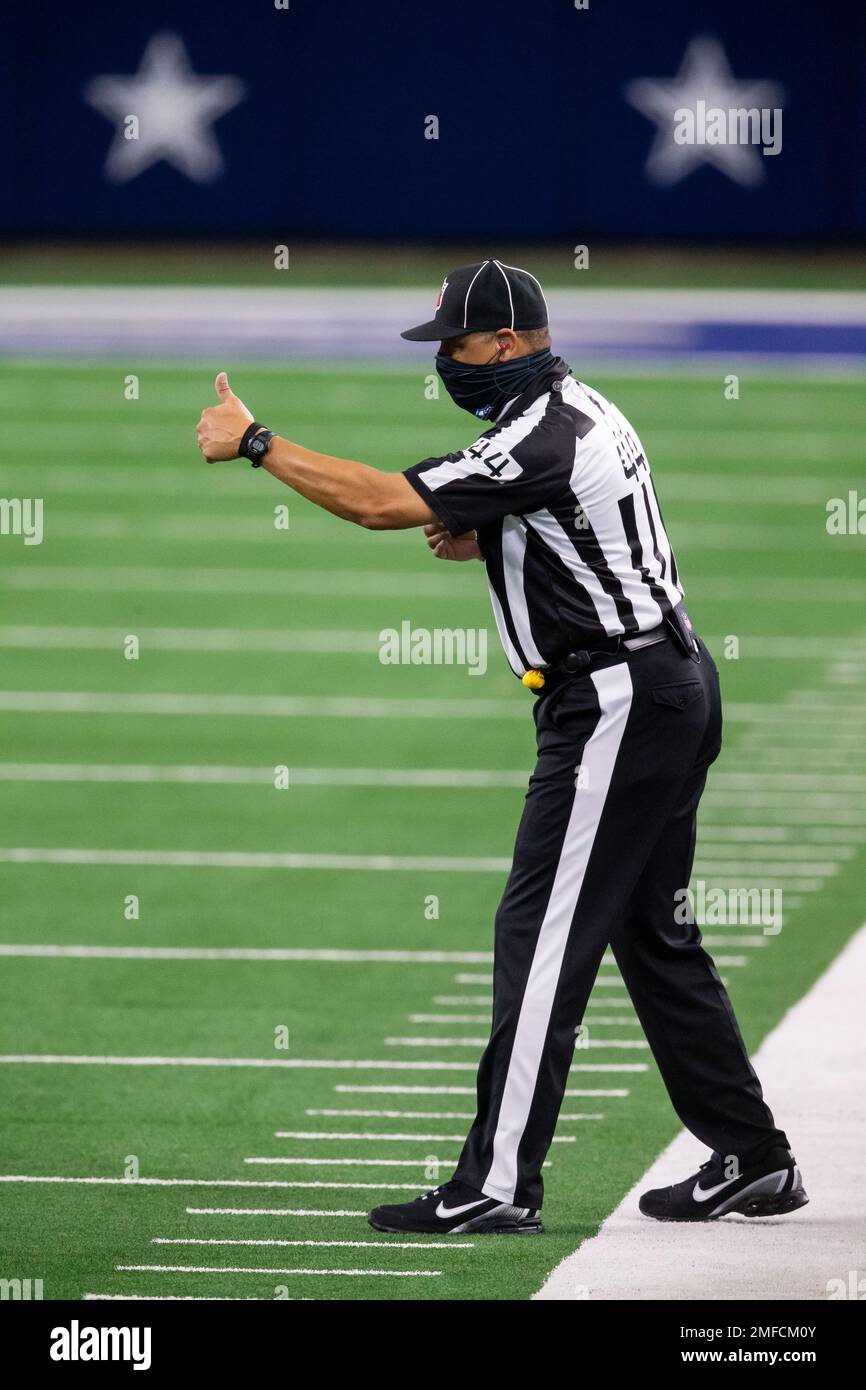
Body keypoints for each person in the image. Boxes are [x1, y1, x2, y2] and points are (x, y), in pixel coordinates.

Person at [196, 258, 806, 1236]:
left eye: (458, 342)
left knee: (540, 943)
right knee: (652, 935)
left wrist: (256, 441)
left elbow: (379, 501)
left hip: (614, 701)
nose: (446, 360)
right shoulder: (582, 409)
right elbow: (589, 525)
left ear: (508, 342)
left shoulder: (538, 435)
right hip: (668, 683)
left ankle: (496, 1181)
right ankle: (751, 1154)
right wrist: (495, 539)